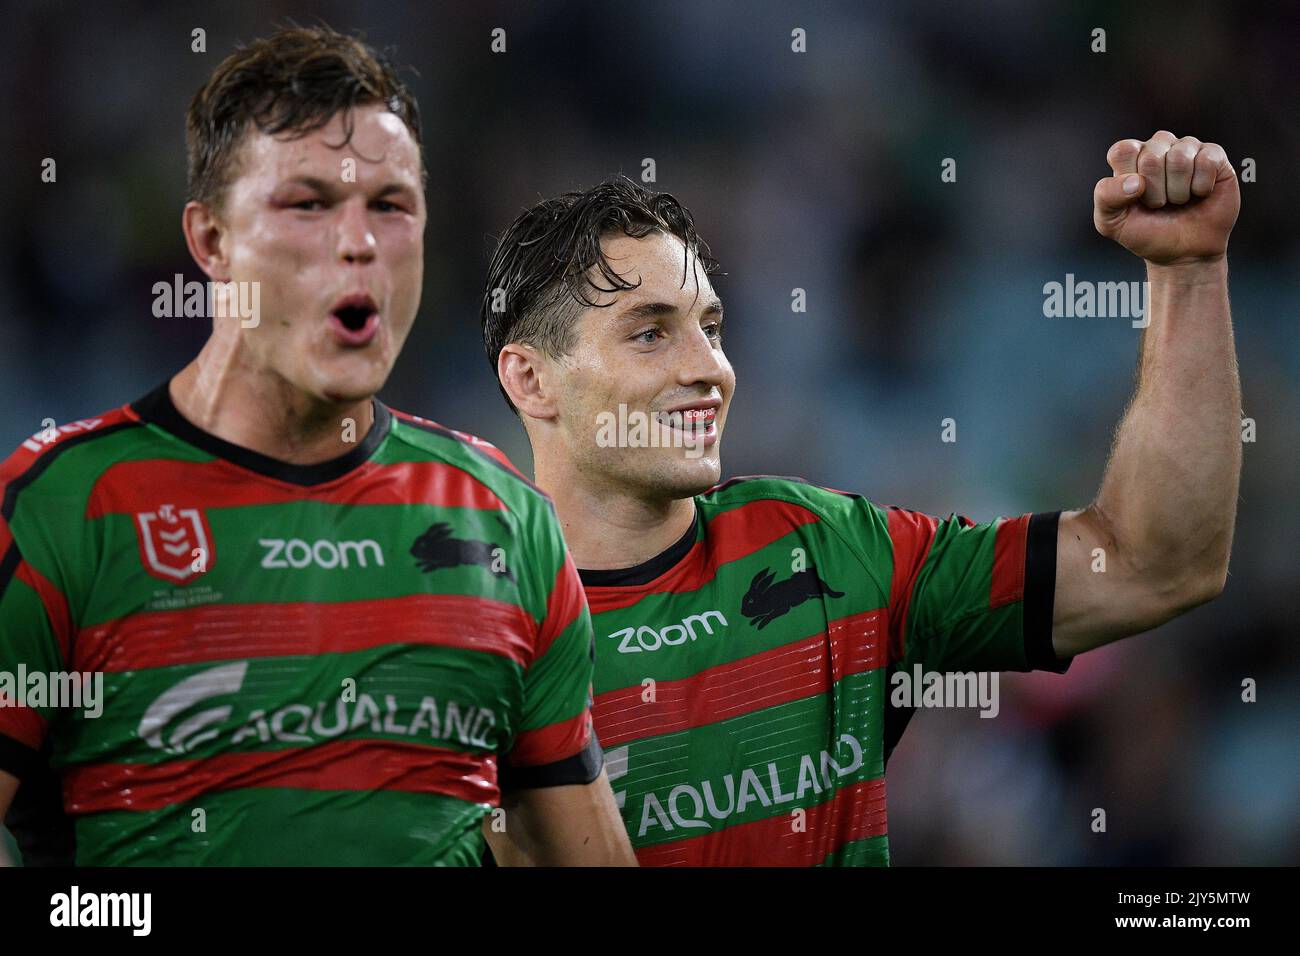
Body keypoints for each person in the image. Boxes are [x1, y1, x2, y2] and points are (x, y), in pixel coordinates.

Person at [480, 133, 1241, 864]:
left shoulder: (828, 548)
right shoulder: (463, 643)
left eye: (710, 327)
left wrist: (1190, 273)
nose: (708, 367)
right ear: (531, 379)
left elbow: (1155, 562)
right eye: (650, 334)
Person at [0, 25, 633, 866]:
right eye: (307, 203)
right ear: (211, 242)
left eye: (390, 205)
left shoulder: (505, 522)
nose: (359, 242)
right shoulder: (57, 510)